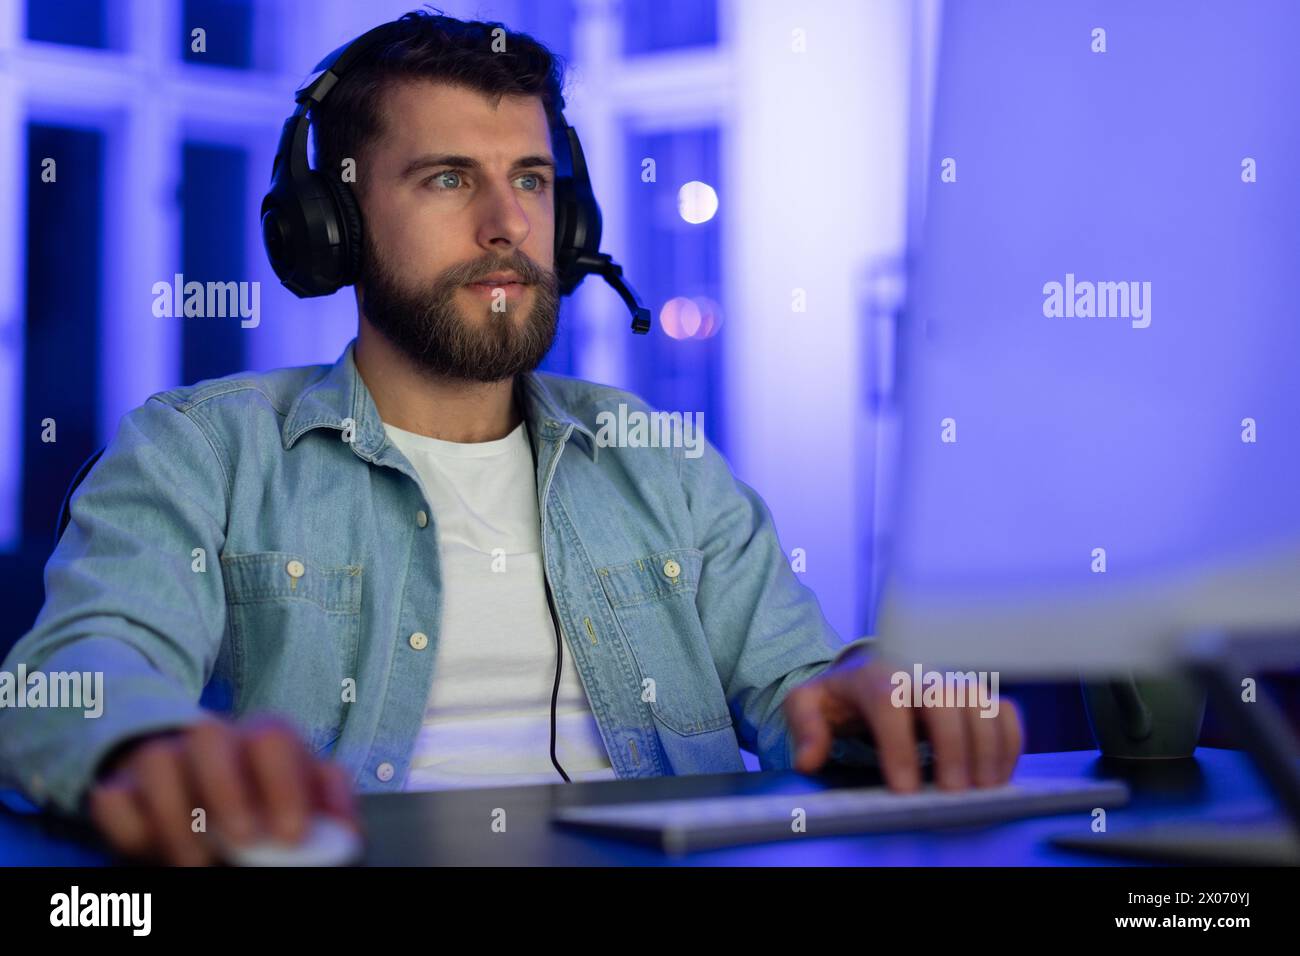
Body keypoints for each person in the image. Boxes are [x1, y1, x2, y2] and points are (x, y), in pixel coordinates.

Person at [0, 11, 1022, 866]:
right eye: (447, 178)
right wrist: (148, 738)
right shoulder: (201, 450)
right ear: (332, 224)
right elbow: (78, 667)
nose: (506, 224)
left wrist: (863, 686)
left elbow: (800, 679)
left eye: (531, 179)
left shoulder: (657, 454)